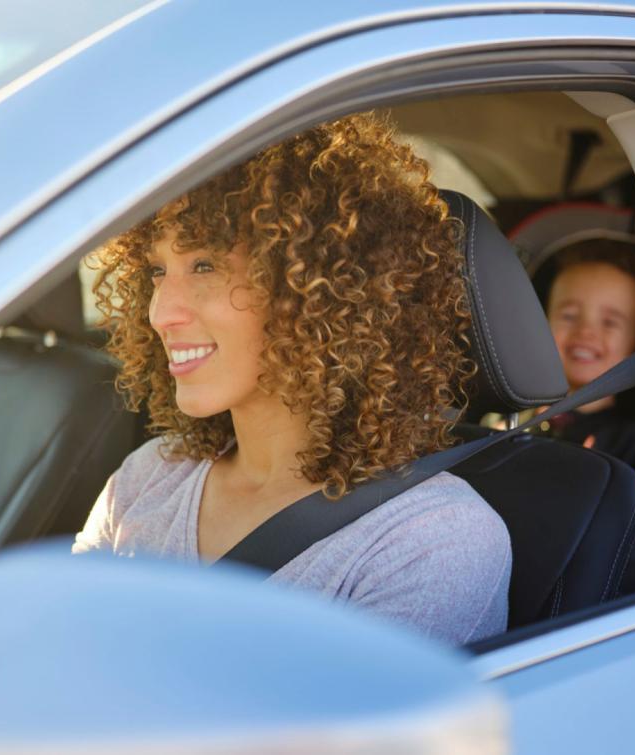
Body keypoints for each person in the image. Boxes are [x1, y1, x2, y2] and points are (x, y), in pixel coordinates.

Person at [72, 112, 511, 645]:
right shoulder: (148, 478)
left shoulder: (430, 539)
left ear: (324, 286)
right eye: (158, 271)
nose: (159, 313)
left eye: (205, 266)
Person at [544, 240, 635, 469]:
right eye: (569, 316)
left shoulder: (625, 439)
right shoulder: (509, 417)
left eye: (609, 323)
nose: (586, 331)